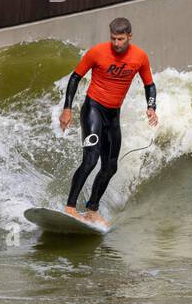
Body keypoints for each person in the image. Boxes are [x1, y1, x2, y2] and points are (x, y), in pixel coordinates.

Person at [59, 18, 157, 227]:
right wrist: (67, 109)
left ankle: (92, 210)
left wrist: (151, 107)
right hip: (93, 109)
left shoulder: (140, 57)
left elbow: (150, 85)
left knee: (110, 167)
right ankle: (70, 207)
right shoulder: (98, 52)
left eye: (120, 39)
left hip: (113, 115)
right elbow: (75, 77)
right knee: (90, 159)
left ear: (129, 36)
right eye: (113, 38)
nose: (116, 43)